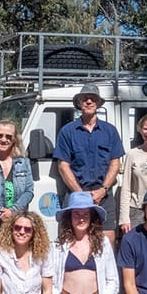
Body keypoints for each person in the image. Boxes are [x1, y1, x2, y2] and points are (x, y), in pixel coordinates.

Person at [54, 85, 125, 247]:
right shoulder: (67, 132)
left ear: (99, 103)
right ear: (79, 103)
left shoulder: (110, 131)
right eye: (84, 98)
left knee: (107, 241)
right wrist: (81, 195)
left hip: (104, 195)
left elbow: (115, 163)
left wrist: (103, 189)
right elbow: (63, 165)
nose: (88, 101)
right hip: (75, 194)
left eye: (93, 98)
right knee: (68, 241)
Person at [49, 191, 119, 294]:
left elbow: (112, 279)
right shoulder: (58, 246)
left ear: (92, 216)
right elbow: (49, 281)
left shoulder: (103, 243)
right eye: (76, 214)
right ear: (69, 217)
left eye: (85, 214)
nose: (81, 218)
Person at [0, 119, 34, 251]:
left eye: (8, 136)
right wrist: (0, 211)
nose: (3, 139)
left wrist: (12, 211)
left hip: (18, 220)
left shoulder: (23, 162)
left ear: (14, 140)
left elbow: (29, 191)